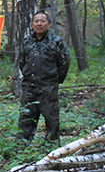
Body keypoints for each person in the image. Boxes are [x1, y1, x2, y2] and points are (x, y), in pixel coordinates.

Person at [17, 10, 71, 144]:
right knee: (26, 118)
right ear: (32, 24)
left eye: (42, 21)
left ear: (49, 24)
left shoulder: (56, 41)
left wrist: (55, 79)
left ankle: (51, 147)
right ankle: (21, 148)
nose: (39, 24)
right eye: (36, 21)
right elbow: (22, 61)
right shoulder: (26, 42)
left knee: (51, 118)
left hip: (48, 88)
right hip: (29, 87)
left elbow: (64, 62)